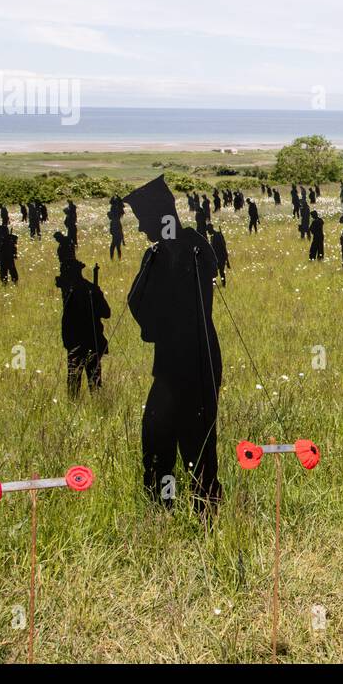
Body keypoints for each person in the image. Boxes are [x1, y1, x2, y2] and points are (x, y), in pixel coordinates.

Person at [124, 175, 223, 516]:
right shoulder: (171, 250)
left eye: (142, 220)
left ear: (160, 216)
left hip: (192, 362)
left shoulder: (188, 248)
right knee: (160, 438)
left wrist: (165, 250)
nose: (139, 229)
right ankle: (166, 509)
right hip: (175, 363)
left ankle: (203, 511)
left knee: (194, 440)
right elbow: (137, 302)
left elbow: (143, 302)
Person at [56, 261, 110, 397]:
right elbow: (106, 312)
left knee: (74, 380)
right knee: (94, 380)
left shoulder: (71, 292)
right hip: (92, 340)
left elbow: (106, 313)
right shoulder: (88, 289)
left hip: (77, 342)